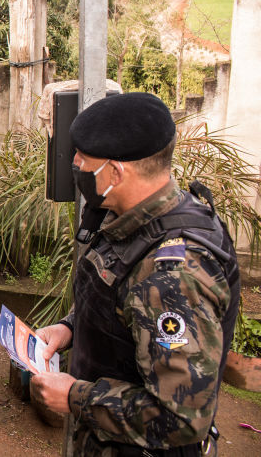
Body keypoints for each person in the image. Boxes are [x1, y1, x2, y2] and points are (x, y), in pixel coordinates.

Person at [30, 93, 241, 457]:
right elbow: (122, 301)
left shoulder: (173, 277)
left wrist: (75, 396)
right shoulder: (134, 217)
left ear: (115, 172)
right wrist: (70, 327)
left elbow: (183, 417)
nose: (75, 163)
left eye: (83, 157)